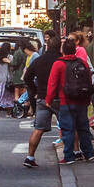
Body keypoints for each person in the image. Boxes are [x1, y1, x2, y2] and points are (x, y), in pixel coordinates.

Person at [47, 36, 94, 164]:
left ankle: (68, 156)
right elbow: (88, 81)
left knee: (68, 129)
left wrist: (49, 100)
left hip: (65, 101)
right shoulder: (82, 63)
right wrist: (88, 98)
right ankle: (89, 153)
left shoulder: (58, 64)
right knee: (83, 128)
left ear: (63, 50)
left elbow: (52, 84)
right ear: (75, 50)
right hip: (81, 100)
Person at [20, 34, 62, 168]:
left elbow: (27, 77)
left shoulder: (39, 60)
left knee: (38, 129)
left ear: (47, 46)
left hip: (42, 97)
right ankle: (71, 153)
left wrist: (34, 91)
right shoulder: (61, 60)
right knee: (67, 126)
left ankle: (30, 156)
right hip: (59, 97)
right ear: (59, 46)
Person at [0, 40, 16, 114]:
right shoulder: (11, 57)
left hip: (0, 79)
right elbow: (12, 67)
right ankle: (8, 112)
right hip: (8, 79)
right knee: (9, 96)